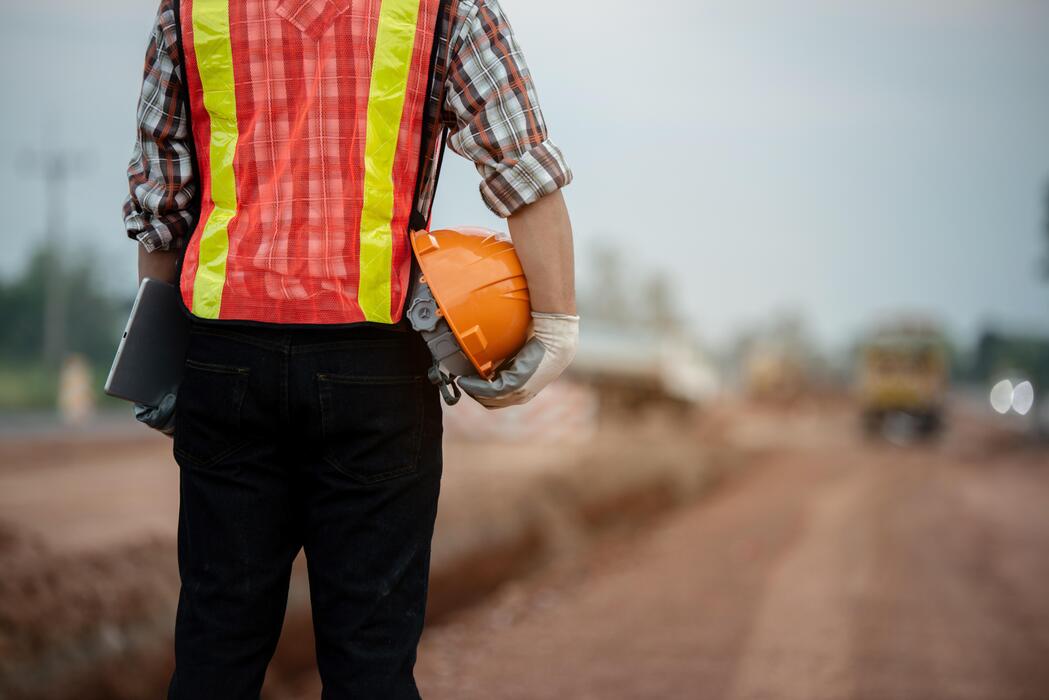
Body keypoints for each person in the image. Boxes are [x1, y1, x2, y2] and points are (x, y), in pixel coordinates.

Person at [123, 0, 576, 696]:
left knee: (216, 645)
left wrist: (153, 358)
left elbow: (161, 201)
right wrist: (554, 329)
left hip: (227, 358)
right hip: (374, 371)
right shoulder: (448, 7)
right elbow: (522, 170)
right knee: (371, 659)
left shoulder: (189, 7)